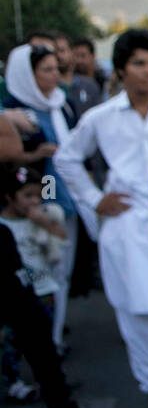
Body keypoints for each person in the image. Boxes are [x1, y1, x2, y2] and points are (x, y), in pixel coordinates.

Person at [53, 29, 148, 408]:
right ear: (119, 69)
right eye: (138, 63)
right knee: (139, 318)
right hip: (127, 227)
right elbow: (66, 160)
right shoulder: (100, 118)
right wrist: (95, 198)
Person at [1, 44, 79, 350]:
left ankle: (53, 340)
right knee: (30, 276)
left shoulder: (62, 105)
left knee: (60, 273)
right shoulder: (12, 110)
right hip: (26, 204)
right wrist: (33, 152)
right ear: (26, 75)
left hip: (64, 198)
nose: (54, 76)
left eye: (55, 69)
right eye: (46, 70)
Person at [0, 165, 67, 401]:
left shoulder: (41, 218)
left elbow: (62, 239)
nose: (34, 201)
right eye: (27, 195)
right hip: (16, 293)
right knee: (12, 342)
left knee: (42, 338)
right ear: (9, 196)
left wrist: (44, 223)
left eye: (37, 195)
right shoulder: (3, 227)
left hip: (44, 288)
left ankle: (49, 380)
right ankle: (14, 382)